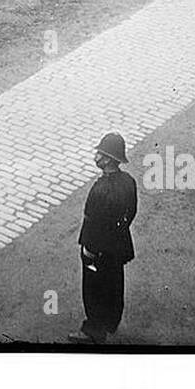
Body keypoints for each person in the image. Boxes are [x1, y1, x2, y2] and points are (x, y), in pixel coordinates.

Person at [69, 133, 137, 345]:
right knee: (114, 284)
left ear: (107, 159)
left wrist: (89, 249)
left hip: (97, 249)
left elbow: (93, 220)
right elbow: (130, 213)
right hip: (117, 246)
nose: (96, 156)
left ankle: (93, 330)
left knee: (93, 288)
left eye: (100, 153)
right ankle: (110, 322)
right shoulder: (128, 181)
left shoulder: (101, 189)